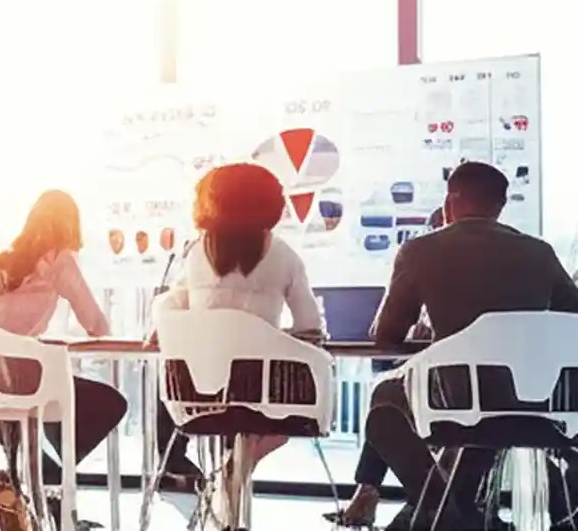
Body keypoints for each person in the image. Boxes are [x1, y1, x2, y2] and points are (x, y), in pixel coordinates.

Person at [365, 161, 578, 531]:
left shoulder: (421, 251)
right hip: (543, 405)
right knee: (484, 421)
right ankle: (455, 510)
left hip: (458, 401)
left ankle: (444, 511)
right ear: (501, 205)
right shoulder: (540, 252)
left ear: (451, 201)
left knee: (383, 403)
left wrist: (431, 335)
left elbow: (386, 335)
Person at [152, 163, 326, 522]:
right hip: (260, 396)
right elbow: (310, 327)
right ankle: (241, 465)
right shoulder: (285, 257)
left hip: (196, 397)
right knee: (292, 410)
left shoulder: (195, 253)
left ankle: (230, 478)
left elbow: (174, 304)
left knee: (233, 414)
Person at [0, 189, 128, 530]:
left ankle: (30, 492)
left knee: (31, 421)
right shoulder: (60, 261)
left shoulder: (2, 262)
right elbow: (96, 324)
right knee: (111, 403)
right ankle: (51, 486)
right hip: (25, 380)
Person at [325, 207, 443, 528]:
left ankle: (377, 493)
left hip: (451, 392)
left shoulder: (428, 260)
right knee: (391, 395)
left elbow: (383, 335)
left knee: (388, 397)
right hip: (515, 391)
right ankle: (374, 492)